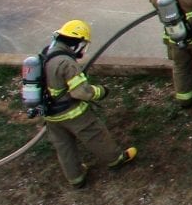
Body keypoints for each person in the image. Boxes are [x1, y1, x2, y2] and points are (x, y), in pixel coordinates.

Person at [38, 20, 137, 188]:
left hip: (50, 114)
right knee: (95, 136)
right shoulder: (66, 63)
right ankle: (115, 159)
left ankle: (75, 178)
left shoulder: (45, 54)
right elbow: (80, 92)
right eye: (82, 45)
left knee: (64, 146)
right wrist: (101, 91)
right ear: (77, 43)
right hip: (72, 113)